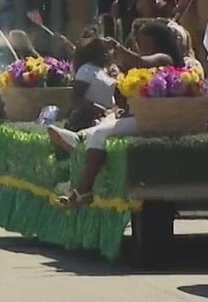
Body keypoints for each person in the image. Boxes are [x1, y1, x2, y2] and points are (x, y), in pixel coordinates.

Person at [48, 22, 188, 205]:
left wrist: (117, 47)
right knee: (99, 128)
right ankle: (79, 141)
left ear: (155, 40)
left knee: (100, 133)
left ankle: (82, 188)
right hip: (141, 115)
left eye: (141, 41)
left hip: (155, 118)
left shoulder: (164, 58)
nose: (138, 45)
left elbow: (141, 62)